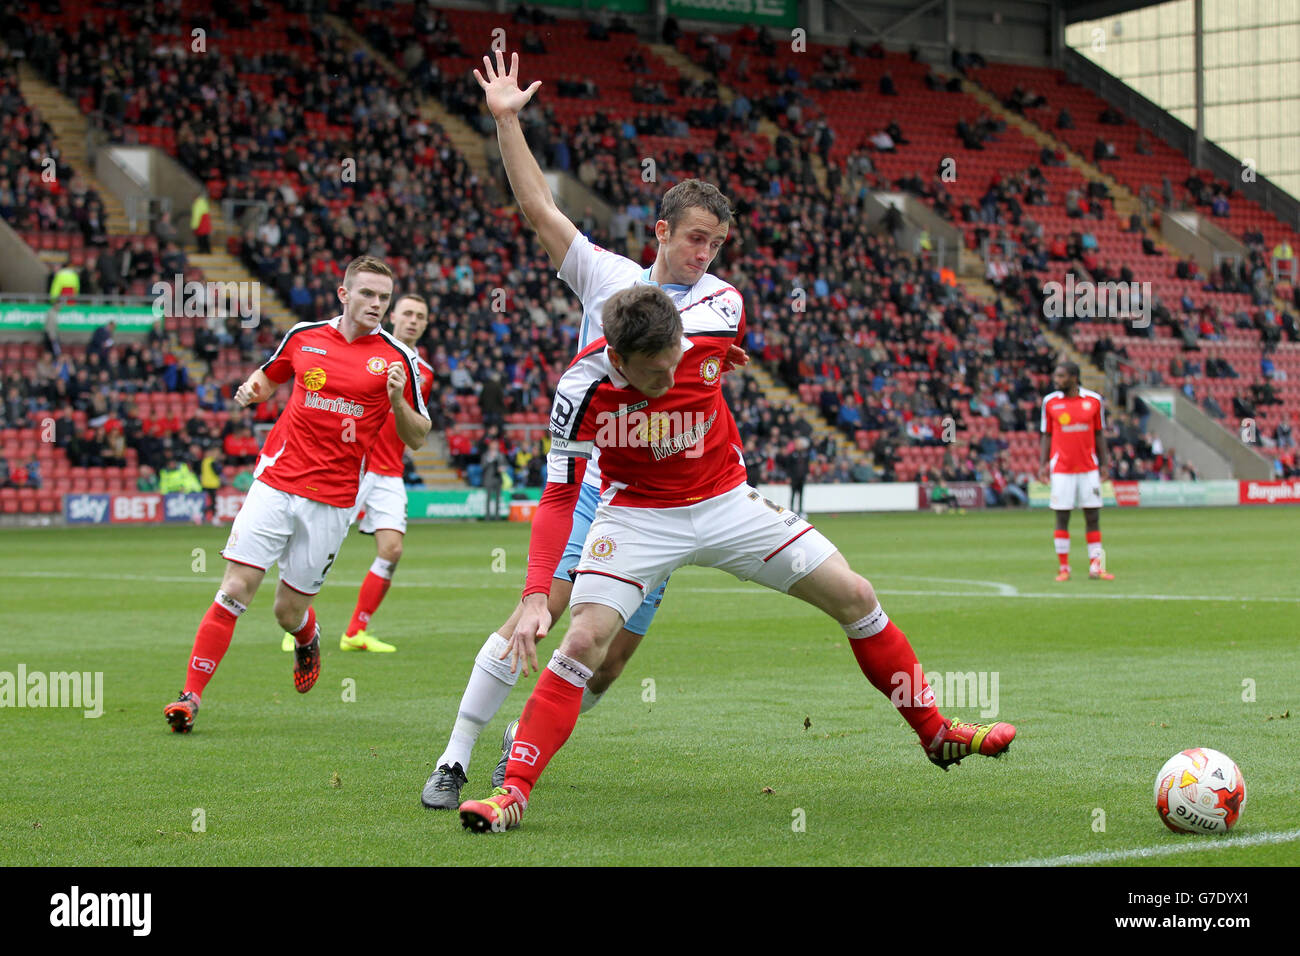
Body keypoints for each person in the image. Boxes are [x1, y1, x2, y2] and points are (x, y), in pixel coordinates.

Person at [456, 285, 1016, 832]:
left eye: (678, 362)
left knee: (857, 595)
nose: (671, 379)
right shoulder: (580, 388)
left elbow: (721, 341)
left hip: (728, 501)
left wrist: (724, 356)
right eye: (655, 372)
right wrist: (534, 593)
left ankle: (935, 733)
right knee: (582, 641)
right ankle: (513, 793)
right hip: (639, 516)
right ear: (619, 358)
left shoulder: (716, 318)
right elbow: (558, 496)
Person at [419, 50, 749, 810]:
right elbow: (539, 208)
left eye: (716, 244)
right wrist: (507, 123)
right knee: (536, 613)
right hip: (598, 482)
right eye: (696, 238)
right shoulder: (606, 276)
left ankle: (518, 742)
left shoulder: (721, 301)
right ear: (662, 230)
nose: (705, 255)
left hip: (666, 496)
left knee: (610, 662)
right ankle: (456, 754)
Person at [162, 256, 431, 733]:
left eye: (383, 297)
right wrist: (254, 389)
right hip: (277, 480)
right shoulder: (305, 335)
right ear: (343, 294)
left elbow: (417, 436)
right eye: (366, 294)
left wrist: (395, 401)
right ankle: (190, 696)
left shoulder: (397, 359)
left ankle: (307, 636)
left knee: (287, 611)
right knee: (236, 587)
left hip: (333, 498)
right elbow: (272, 375)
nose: (375, 304)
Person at [279, 293, 435, 655]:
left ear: (426, 324)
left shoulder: (422, 371)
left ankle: (355, 631)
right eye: (407, 313)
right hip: (353, 467)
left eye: (420, 316)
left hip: (390, 470)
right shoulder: (367, 352)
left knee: (392, 549)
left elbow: (414, 428)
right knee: (318, 545)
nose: (413, 320)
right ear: (393, 315)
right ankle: (297, 621)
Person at [1038, 362, 1113, 582]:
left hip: (1089, 468)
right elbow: (1046, 434)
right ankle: (1064, 568)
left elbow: (1099, 434)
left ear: (1074, 378)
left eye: (1061, 376)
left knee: (1093, 516)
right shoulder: (1050, 402)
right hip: (1061, 469)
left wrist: (1105, 464)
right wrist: (1043, 464)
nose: (1056, 380)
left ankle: (1096, 567)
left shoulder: (1093, 401)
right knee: (1062, 516)